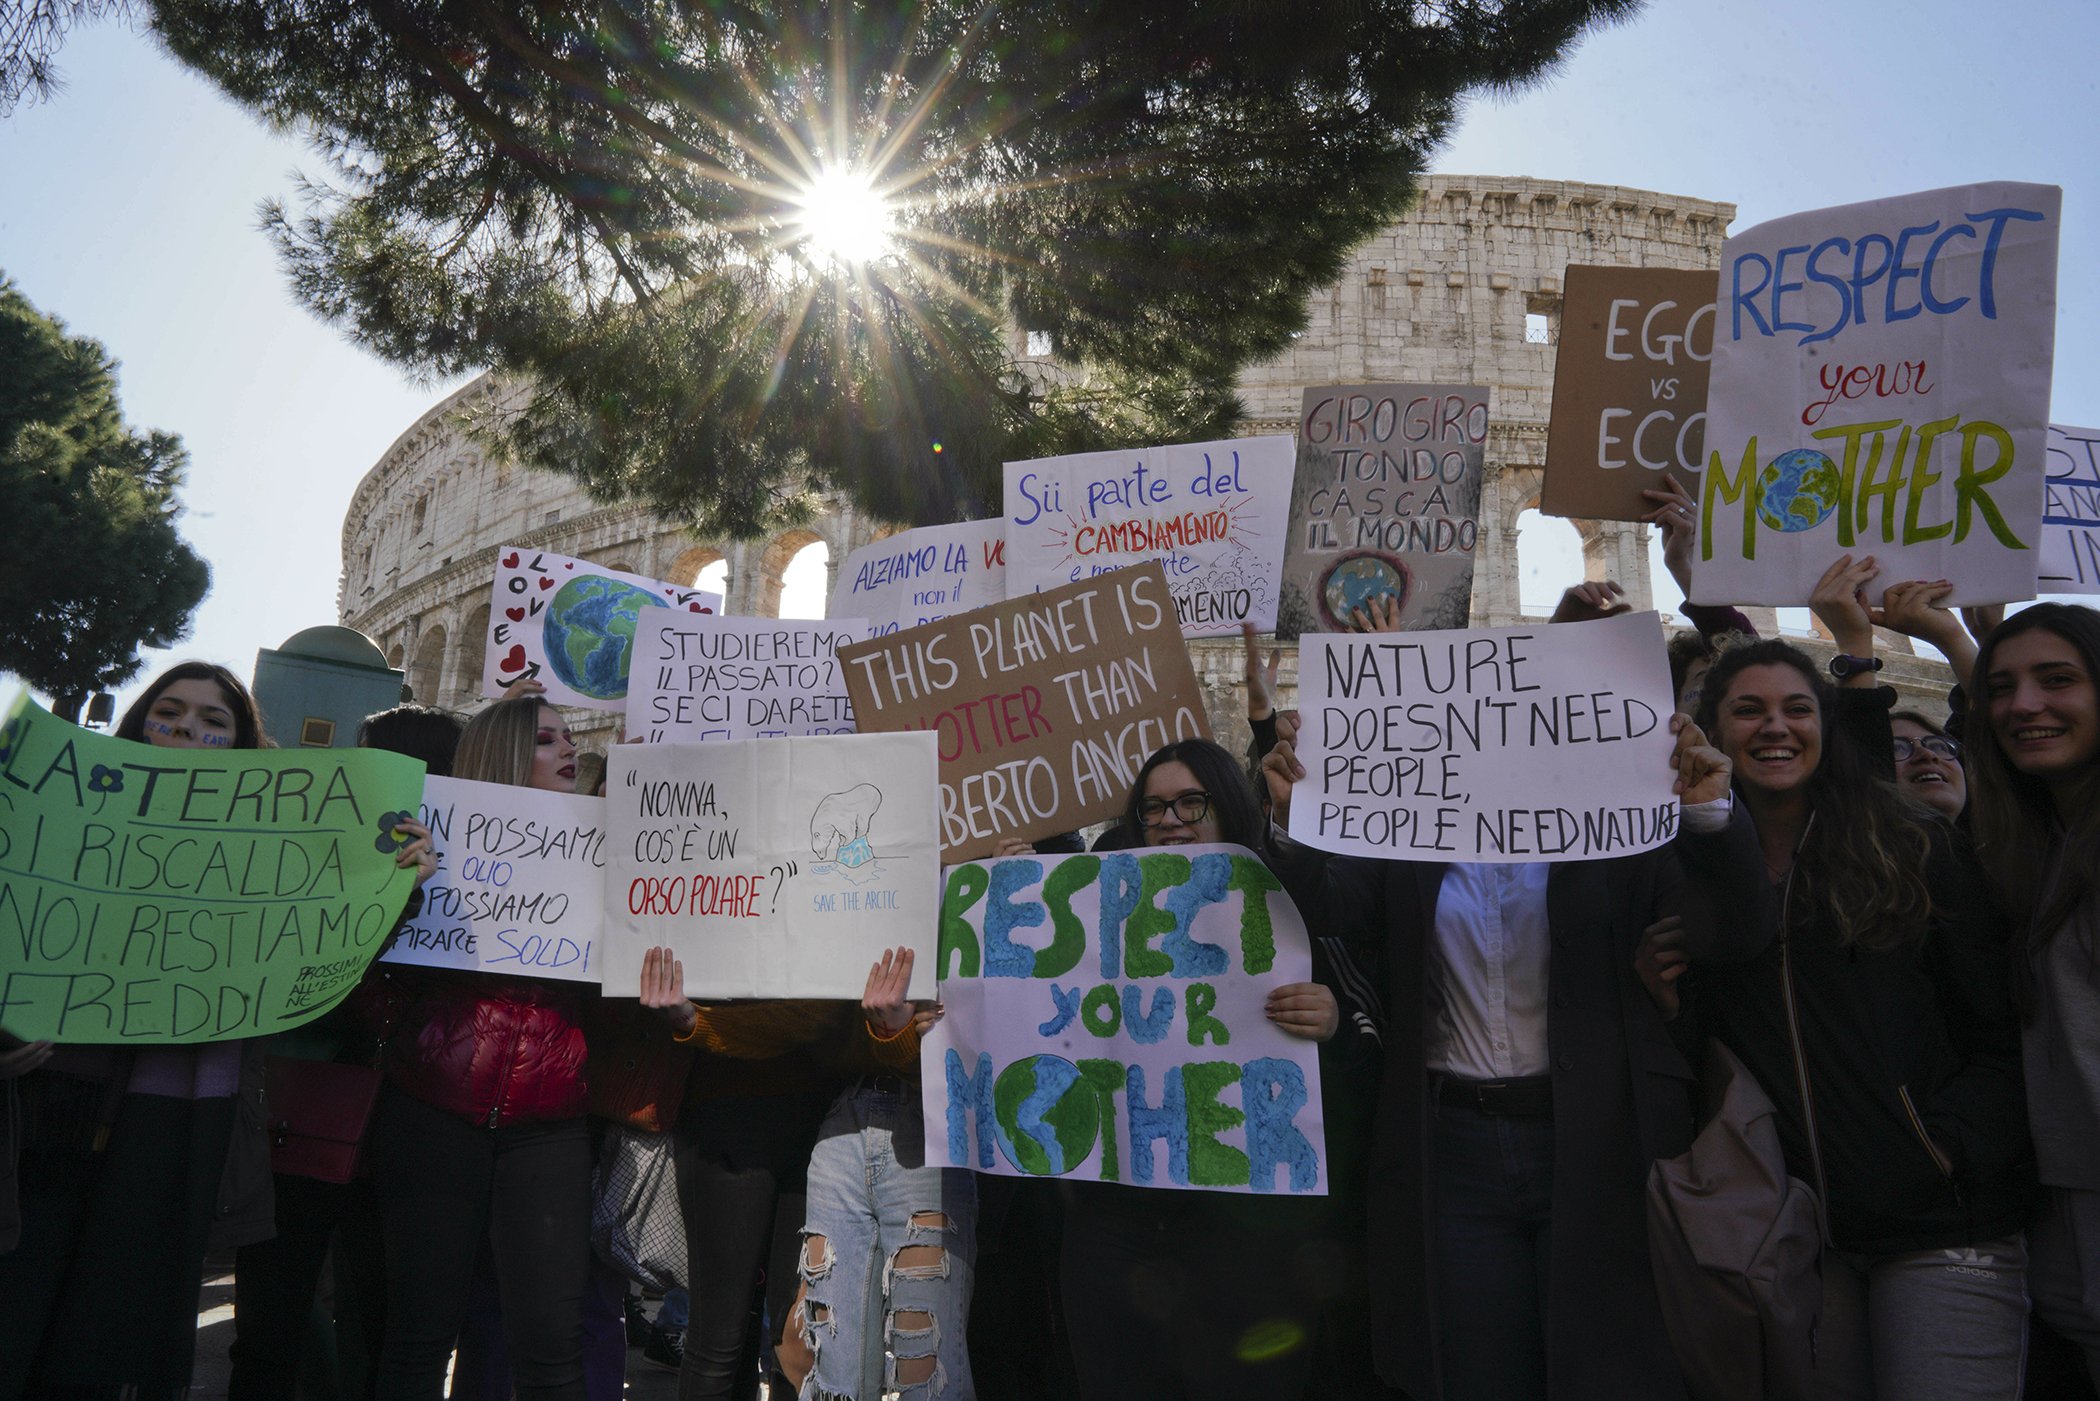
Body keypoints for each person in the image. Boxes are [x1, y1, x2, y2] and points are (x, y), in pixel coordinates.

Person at [1270, 593, 1767, 1401]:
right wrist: (1295, 823)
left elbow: (1735, 931)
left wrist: (1712, 813)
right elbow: (1329, 902)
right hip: (1452, 1147)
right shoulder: (1406, 837)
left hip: (1595, 1139)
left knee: (1607, 1371)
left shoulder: (1618, 828)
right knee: (1477, 1371)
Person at [0, 662, 427, 1400]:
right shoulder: (47, 819)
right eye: (169, 713)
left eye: (212, 721)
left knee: (115, 1334)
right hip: (42, 1124)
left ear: (239, 748)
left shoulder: (265, 856)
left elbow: (311, 957)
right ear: (138, 725)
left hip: (160, 1135)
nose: (187, 730)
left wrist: (393, 886)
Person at [1681, 631, 2032, 1400]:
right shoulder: (1686, 867)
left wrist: (1950, 1151)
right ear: (1709, 730)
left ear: (1828, 725)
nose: (1776, 726)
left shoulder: (1913, 844)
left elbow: (2000, 1026)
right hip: (1795, 1235)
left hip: (1941, 1223)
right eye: (1748, 710)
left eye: (1798, 708)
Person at [1036, 737, 1375, 1401]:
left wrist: (1333, 1022)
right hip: (1115, 1229)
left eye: (1194, 802)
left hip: (1241, 1242)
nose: (1171, 820)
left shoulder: (1286, 905)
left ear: (1229, 809)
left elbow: (1365, 1061)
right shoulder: (1094, 915)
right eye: (1154, 807)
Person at [365, 695, 593, 1400]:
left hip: (549, 1121)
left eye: (569, 737)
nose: (569, 749)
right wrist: (400, 894)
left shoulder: (605, 848)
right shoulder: (423, 840)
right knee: (417, 1336)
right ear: (505, 752)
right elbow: (363, 970)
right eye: (548, 739)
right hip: (433, 1106)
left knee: (552, 1344)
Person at [227, 703, 452, 1401]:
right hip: (359, 1102)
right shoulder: (353, 849)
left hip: (327, 1102)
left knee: (288, 1304)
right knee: (330, 1307)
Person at [1965, 603, 2100, 1388]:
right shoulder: (2045, 843)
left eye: (2057, 680)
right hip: (2064, 1201)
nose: (2025, 706)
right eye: (2003, 687)